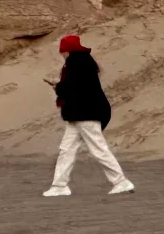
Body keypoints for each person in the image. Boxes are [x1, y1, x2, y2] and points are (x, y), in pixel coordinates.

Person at [44, 34, 135, 196]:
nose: (62, 55)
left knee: (98, 148)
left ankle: (121, 181)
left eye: (63, 51)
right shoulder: (83, 62)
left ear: (68, 50)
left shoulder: (76, 63)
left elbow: (71, 88)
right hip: (79, 114)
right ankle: (59, 185)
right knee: (67, 149)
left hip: (85, 113)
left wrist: (57, 87)